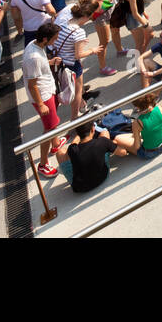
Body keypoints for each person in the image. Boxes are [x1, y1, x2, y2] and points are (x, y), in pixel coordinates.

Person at [22, 22, 64, 178]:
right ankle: (43, 164)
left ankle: (55, 144)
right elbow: (33, 85)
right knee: (49, 129)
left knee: (53, 126)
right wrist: (40, 104)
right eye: (54, 38)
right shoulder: (33, 58)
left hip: (47, 91)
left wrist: (50, 63)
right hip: (43, 97)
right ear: (45, 38)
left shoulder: (35, 45)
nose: (56, 40)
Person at [55, 120, 132, 193]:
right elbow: (123, 153)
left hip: (80, 188)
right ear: (92, 129)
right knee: (105, 133)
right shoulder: (102, 142)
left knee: (60, 152)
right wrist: (113, 143)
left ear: (77, 133)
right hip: (102, 177)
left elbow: (74, 143)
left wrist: (79, 134)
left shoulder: (72, 149)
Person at [121, 92, 162, 159]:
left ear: (137, 107)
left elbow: (137, 147)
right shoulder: (160, 108)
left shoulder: (137, 122)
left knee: (118, 139)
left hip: (150, 153)